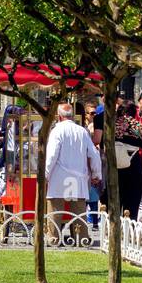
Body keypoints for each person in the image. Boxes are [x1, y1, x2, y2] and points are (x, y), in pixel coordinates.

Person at [45, 102, 102, 244]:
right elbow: (94, 154)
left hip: (59, 175)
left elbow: (51, 156)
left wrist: (45, 175)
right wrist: (96, 174)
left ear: (59, 116)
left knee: (55, 210)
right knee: (78, 211)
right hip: (78, 176)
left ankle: (53, 238)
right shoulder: (82, 131)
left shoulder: (56, 132)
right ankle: (80, 237)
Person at [114, 101, 142, 222]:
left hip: (115, 166)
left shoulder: (112, 125)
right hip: (133, 165)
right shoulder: (136, 126)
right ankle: (130, 231)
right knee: (133, 202)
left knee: (116, 201)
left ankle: (113, 230)